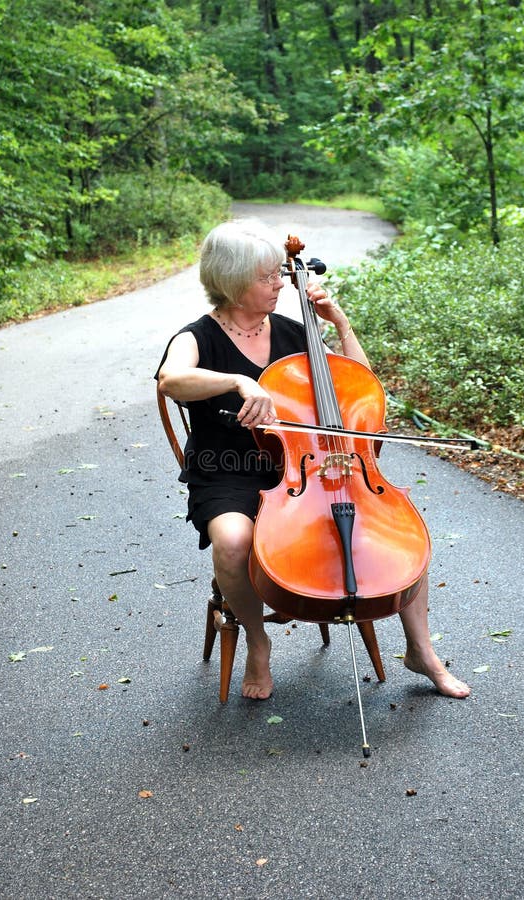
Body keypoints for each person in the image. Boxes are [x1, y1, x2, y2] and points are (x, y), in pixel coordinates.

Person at [156, 219, 470, 702]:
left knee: (398, 529)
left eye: (279, 274)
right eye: (267, 277)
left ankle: (421, 650)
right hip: (229, 471)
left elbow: (358, 388)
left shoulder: (291, 331)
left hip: (311, 470)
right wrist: (238, 381)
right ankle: (258, 642)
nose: (280, 282)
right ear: (233, 281)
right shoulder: (198, 337)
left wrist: (340, 324)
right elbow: (171, 380)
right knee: (234, 541)